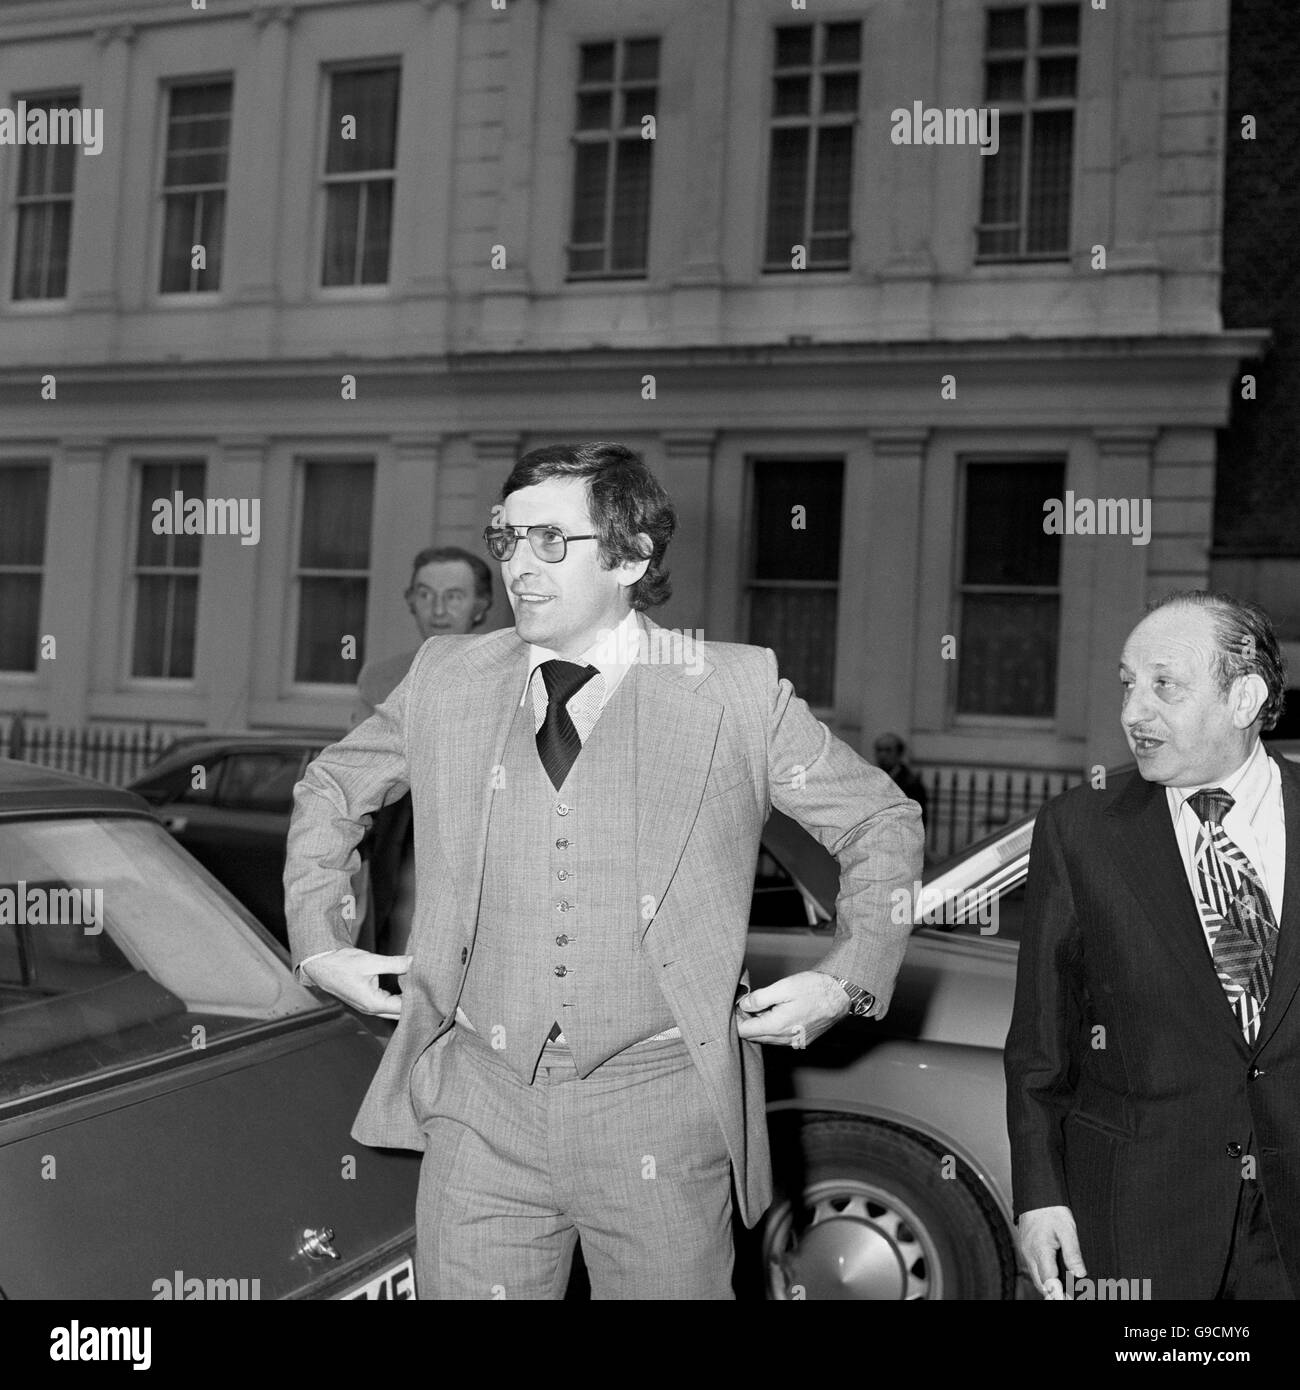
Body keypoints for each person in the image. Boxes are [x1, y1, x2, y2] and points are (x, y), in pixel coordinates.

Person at [284, 441, 923, 1299]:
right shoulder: (447, 677)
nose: (518, 566)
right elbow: (331, 786)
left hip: (658, 1107)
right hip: (480, 1106)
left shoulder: (732, 691)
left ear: (630, 556)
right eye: (507, 540)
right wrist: (321, 943)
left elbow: (882, 823)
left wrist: (846, 980)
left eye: (551, 541)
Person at [1006, 590, 1299, 1301]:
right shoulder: (1082, 832)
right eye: (1128, 685)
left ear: (1245, 697)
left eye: (1164, 686)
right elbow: (1043, 1043)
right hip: (1141, 1220)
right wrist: (1039, 1197)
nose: (1133, 713)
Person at [351, 547, 494, 956]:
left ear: (481, 605)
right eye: (426, 594)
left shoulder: (513, 671)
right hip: (398, 829)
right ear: (410, 600)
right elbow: (358, 772)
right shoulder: (381, 678)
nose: (438, 609)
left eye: (453, 596)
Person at [874, 732, 928, 828]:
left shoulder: (911, 784)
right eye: (879, 750)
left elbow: (918, 820)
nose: (882, 755)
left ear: (899, 754)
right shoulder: (872, 779)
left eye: (888, 750)